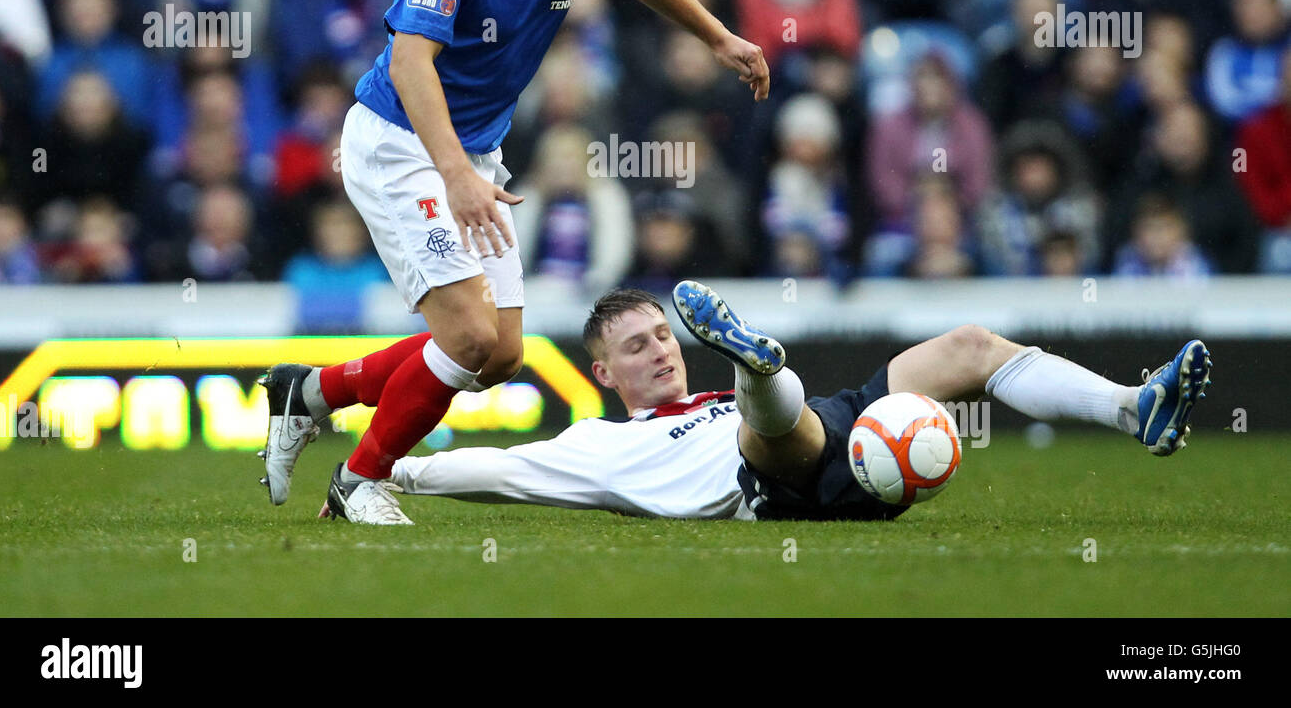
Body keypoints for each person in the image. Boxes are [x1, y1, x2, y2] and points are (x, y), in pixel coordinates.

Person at [258, 0, 771, 524]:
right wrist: (456, 171)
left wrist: (718, 35)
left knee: (500, 353)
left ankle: (310, 392)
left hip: (472, 152)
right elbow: (409, 59)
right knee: (466, 335)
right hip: (403, 141)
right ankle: (360, 479)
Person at [311, 280, 1210, 524]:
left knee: (969, 348)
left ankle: (1135, 406)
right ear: (604, 376)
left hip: (828, 418)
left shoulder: (691, 396)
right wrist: (390, 472)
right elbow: (499, 470)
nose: (658, 351)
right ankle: (756, 364)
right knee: (768, 435)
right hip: (776, 479)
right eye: (637, 348)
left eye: (663, 335)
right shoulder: (596, 447)